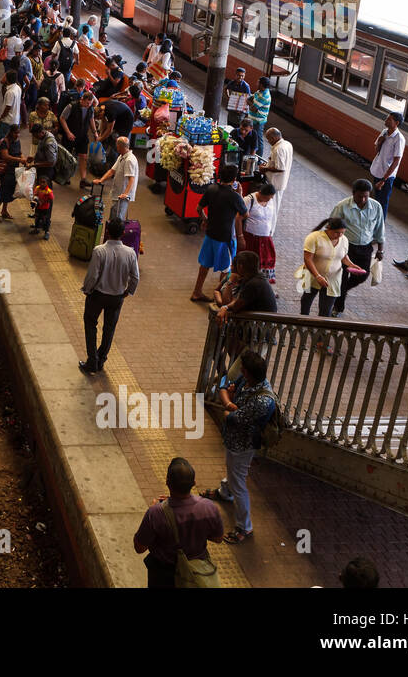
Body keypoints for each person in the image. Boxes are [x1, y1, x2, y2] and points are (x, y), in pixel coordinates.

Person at [201, 349, 277, 545]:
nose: (240, 372)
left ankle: (244, 526)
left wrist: (228, 406)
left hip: (243, 445)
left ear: (249, 373)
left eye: (243, 370)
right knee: (234, 472)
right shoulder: (249, 382)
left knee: (239, 483)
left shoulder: (262, 400)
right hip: (234, 440)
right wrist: (229, 403)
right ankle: (225, 492)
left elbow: (232, 418)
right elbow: (225, 389)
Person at [134, 457, 224, 589]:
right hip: (195, 574)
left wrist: (154, 510)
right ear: (194, 483)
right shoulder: (209, 507)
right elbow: (218, 538)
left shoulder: (156, 513)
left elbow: (139, 548)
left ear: (167, 482)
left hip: (163, 576)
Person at [79, 217, 140, 373]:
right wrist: (128, 291)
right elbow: (135, 277)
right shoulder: (130, 253)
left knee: (90, 324)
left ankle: (92, 360)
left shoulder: (99, 251)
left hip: (97, 295)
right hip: (117, 297)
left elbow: (92, 276)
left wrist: (87, 289)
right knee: (109, 329)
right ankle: (101, 359)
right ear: (123, 233)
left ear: (107, 231)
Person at [329, 178, 385, 316]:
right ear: (353, 193)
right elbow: (331, 228)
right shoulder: (341, 207)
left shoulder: (376, 207)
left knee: (363, 275)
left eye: (366, 196)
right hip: (346, 247)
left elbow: (380, 229)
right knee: (341, 277)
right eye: (360, 196)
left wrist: (381, 249)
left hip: (365, 248)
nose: (363, 199)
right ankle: (338, 307)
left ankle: (341, 290)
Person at [192, 164, 247, 302]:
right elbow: (245, 213)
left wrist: (205, 220)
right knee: (226, 269)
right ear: (234, 179)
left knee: (204, 265)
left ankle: (197, 292)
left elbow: (199, 208)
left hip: (210, 235)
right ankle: (221, 297)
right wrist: (240, 194)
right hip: (225, 238)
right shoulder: (234, 196)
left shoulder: (211, 189)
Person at [301, 217, 362, 316]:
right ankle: (303, 322)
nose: (340, 235)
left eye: (343, 232)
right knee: (306, 301)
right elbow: (308, 259)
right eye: (337, 232)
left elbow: (343, 256)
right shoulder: (314, 238)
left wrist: (352, 265)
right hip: (312, 276)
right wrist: (318, 276)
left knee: (326, 309)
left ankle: (322, 329)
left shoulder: (344, 240)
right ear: (328, 228)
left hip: (333, 278)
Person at [215, 251, 278, 329]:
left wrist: (230, 282)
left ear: (240, 266)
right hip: (258, 323)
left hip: (260, 328)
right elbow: (235, 301)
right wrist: (225, 307)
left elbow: (234, 306)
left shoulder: (254, 283)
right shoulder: (256, 276)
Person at [94, 136, 138, 223]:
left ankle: (116, 234)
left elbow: (131, 179)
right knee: (114, 214)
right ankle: (112, 233)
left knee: (118, 218)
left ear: (121, 147)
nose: (116, 147)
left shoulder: (129, 160)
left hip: (122, 195)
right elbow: (112, 171)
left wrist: (125, 194)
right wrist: (101, 180)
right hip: (118, 192)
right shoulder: (122, 156)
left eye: (117, 146)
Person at [241, 182, 279, 282]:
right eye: (268, 197)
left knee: (267, 260)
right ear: (262, 193)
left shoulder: (270, 200)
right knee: (250, 262)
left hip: (266, 238)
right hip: (251, 237)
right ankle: (246, 282)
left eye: (271, 198)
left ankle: (263, 283)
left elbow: (272, 217)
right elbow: (238, 218)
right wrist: (240, 236)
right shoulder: (249, 200)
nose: (270, 200)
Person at [370, 112, 406, 215]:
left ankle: (381, 223)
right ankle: (375, 220)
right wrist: (380, 142)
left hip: (387, 176)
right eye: (386, 118)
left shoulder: (399, 139)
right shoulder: (384, 132)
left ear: (397, 123)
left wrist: (383, 180)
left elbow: (396, 161)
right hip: (378, 170)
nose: (386, 121)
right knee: (377, 200)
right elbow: (377, 150)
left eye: (389, 120)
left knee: (383, 202)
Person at [60, 90, 98, 188]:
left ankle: (83, 180)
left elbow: (91, 120)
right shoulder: (71, 106)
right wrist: (68, 132)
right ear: (82, 99)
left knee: (84, 157)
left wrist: (95, 132)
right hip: (71, 135)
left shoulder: (90, 109)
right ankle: (66, 177)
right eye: (87, 103)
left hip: (83, 136)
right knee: (68, 157)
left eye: (90, 103)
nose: (88, 105)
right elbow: (62, 118)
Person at [0, 123, 23, 223]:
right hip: (6, 171)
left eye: (18, 133)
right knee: (3, 191)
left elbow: (20, 152)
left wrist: (23, 158)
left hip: (15, 170)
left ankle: (4, 210)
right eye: (15, 133)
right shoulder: (5, 142)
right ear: (10, 132)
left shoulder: (17, 141)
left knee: (9, 191)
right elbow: (5, 157)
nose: (17, 135)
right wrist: (20, 159)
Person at [263, 127, 293, 206]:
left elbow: (280, 168)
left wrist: (265, 168)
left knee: (272, 206)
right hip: (280, 182)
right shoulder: (287, 143)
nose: (268, 141)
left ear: (273, 138)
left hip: (275, 183)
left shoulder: (278, 149)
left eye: (269, 139)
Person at [0, 69, 21, 143]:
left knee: (1, 139)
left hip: (7, 121)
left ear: (7, 79)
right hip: (16, 119)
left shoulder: (10, 92)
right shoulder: (18, 88)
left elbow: (8, 108)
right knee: (12, 140)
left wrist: (0, 118)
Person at [248, 76, 272, 156]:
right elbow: (251, 98)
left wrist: (249, 102)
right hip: (253, 119)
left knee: (258, 139)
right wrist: (250, 102)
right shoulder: (260, 91)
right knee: (253, 138)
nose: (256, 83)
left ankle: (259, 158)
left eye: (258, 82)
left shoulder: (264, 96)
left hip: (258, 121)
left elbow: (253, 108)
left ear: (261, 85)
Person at [31, 176, 54, 240]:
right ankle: (36, 228)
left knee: (46, 220)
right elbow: (35, 195)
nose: (42, 184)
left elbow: (51, 199)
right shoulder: (37, 188)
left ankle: (47, 232)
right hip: (38, 207)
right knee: (37, 218)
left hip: (45, 208)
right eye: (40, 182)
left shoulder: (49, 191)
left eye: (44, 182)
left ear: (47, 183)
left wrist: (43, 202)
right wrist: (35, 201)